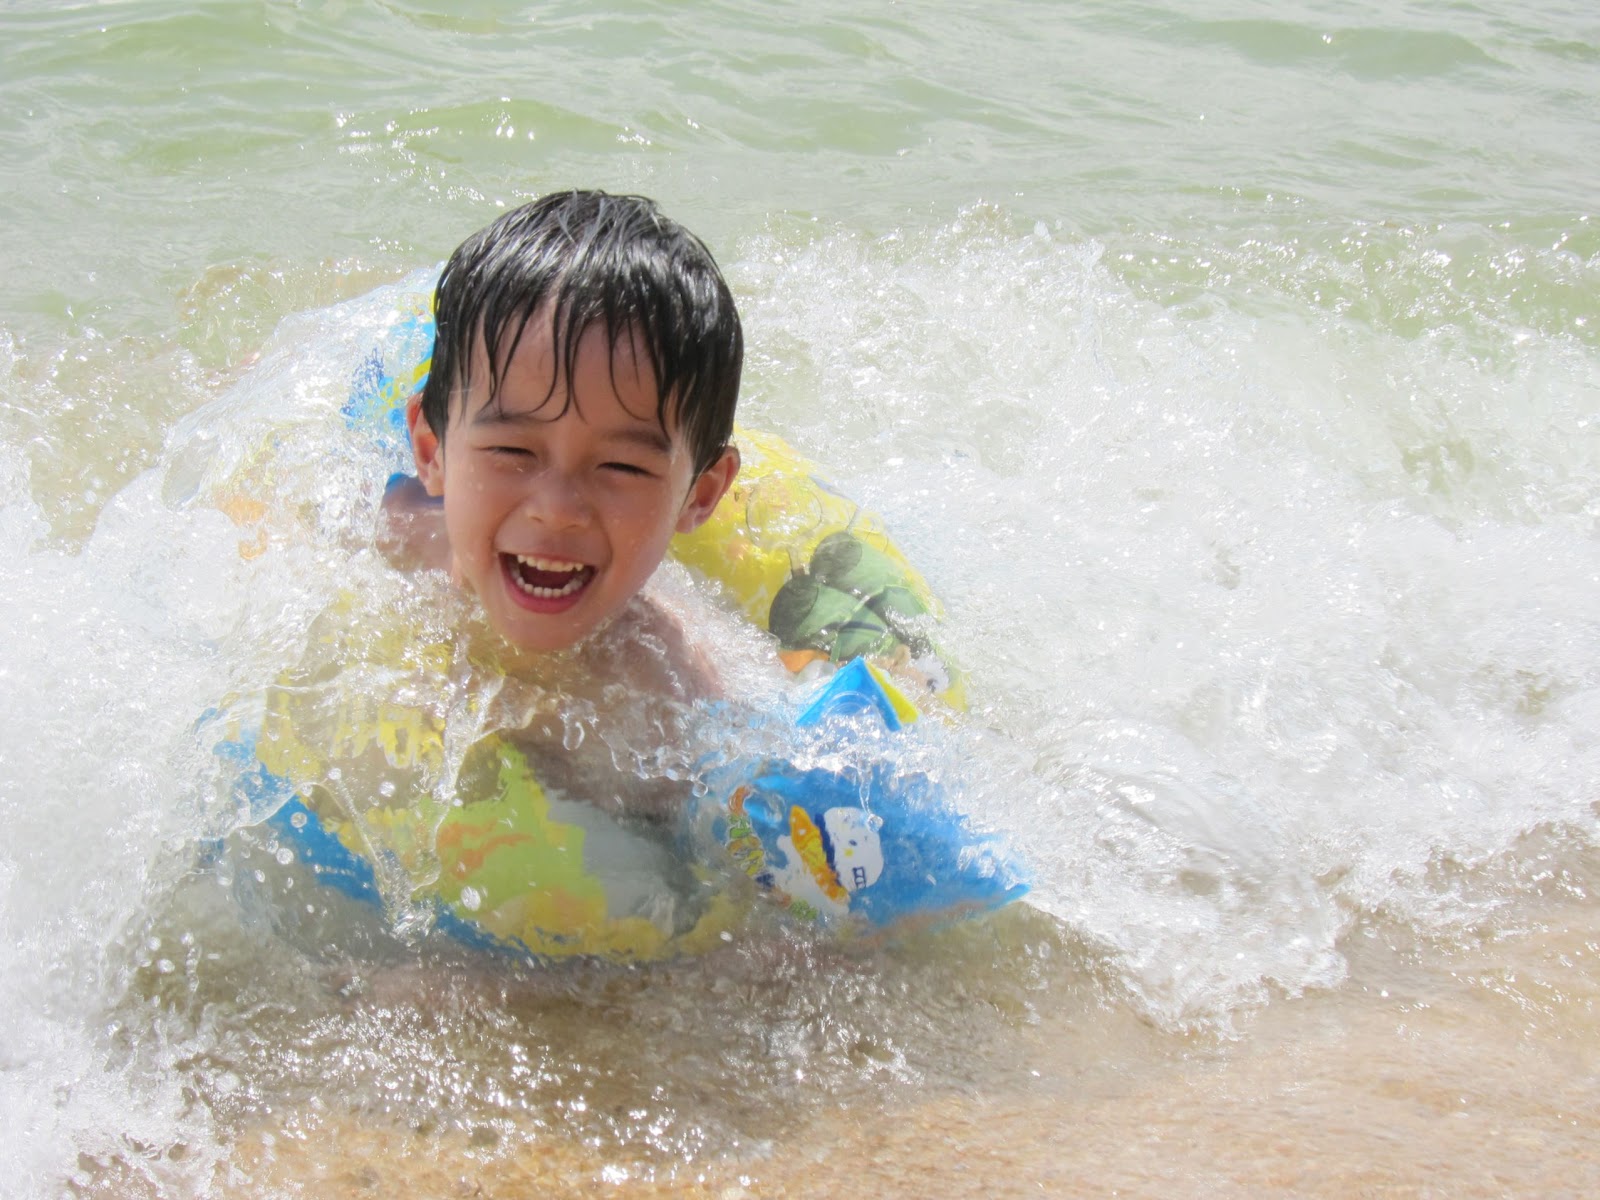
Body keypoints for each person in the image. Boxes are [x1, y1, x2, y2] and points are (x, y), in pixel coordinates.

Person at [375, 190, 746, 814]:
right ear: (432, 451)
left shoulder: (667, 708)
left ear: (700, 494)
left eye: (622, 466)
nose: (557, 508)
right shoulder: (397, 540)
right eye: (513, 452)